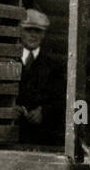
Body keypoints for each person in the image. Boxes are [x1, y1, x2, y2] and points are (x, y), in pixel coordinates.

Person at [13, 8, 65, 146]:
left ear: (44, 34)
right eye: (28, 30)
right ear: (20, 31)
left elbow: (61, 100)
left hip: (41, 137)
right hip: (11, 135)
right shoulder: (9, 60)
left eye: (38, 31)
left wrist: (43, 112)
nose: (33, 35)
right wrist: (9, 108)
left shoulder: (53, 66)